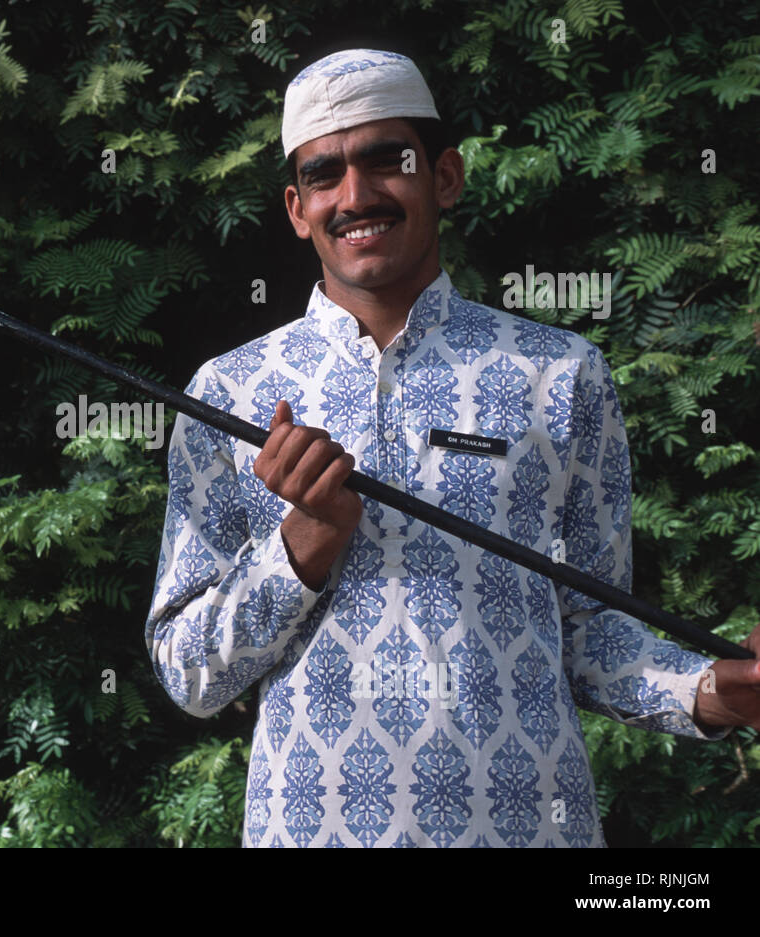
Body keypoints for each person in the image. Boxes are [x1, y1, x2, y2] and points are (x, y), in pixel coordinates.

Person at [144, 48, 760, 847]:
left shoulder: (561, 374)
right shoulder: (228, 392)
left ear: (445, 177)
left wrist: (713, 692)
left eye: (386, 161)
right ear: (297, 209)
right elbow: (189, 673)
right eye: (325, 174)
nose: (356, 195)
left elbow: (593, 629)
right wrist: (305, 543)